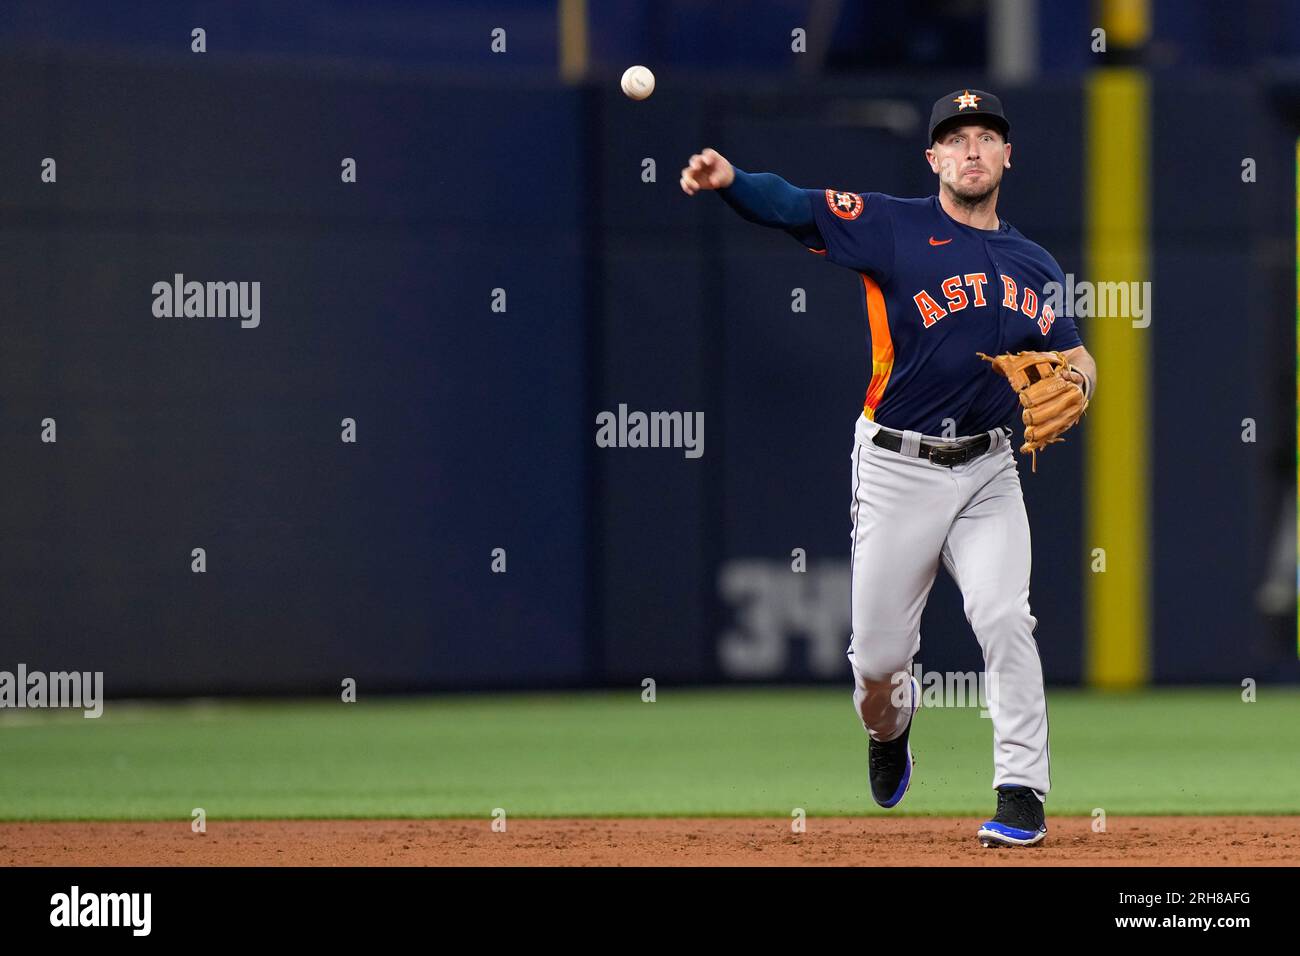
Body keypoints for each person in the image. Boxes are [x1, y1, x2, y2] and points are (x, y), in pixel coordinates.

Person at [680, 89, 1097, 848]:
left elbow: (1075, 356)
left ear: (1008, 156)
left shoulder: (1034, 264)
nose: (971, 149)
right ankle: (889, 729)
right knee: (877, 662)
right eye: (956, 138)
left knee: (1004, 617)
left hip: (988, 470)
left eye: (986, 136)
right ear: (933, 157)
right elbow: (795, 205)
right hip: (897, 469)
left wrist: (1080, 384)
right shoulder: (891, 225)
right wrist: (731, 179)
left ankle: (1022, 794)